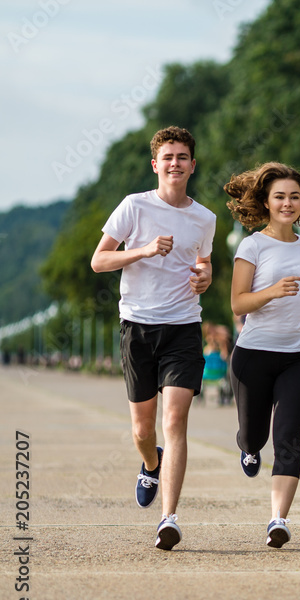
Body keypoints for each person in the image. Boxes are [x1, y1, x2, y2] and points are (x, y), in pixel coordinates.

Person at [90, 126, 215, 551]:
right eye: (168, 157)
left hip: (183, 328)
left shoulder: (205, 218)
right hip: (137, 327)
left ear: (192, 165)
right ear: (155, 165)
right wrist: (141, 250)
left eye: (182, 157)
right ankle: (150, 462)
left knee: (174, 421)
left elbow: (204, 264)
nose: (175, 163)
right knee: (143, 429)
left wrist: (205, 277)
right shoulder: (133, 208)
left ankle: (170, 519)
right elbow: (99, 260)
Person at [224, 162, 300, 549]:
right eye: (280, 197)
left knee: (288, 439)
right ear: (267, 202)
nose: (288, 203)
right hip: (253, 355)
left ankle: (278, 520)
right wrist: (272, 291)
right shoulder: (252, 245)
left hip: (299, 355)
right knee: (255, 436)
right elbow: (239, 301)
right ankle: (248, 448)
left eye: (294, 196)